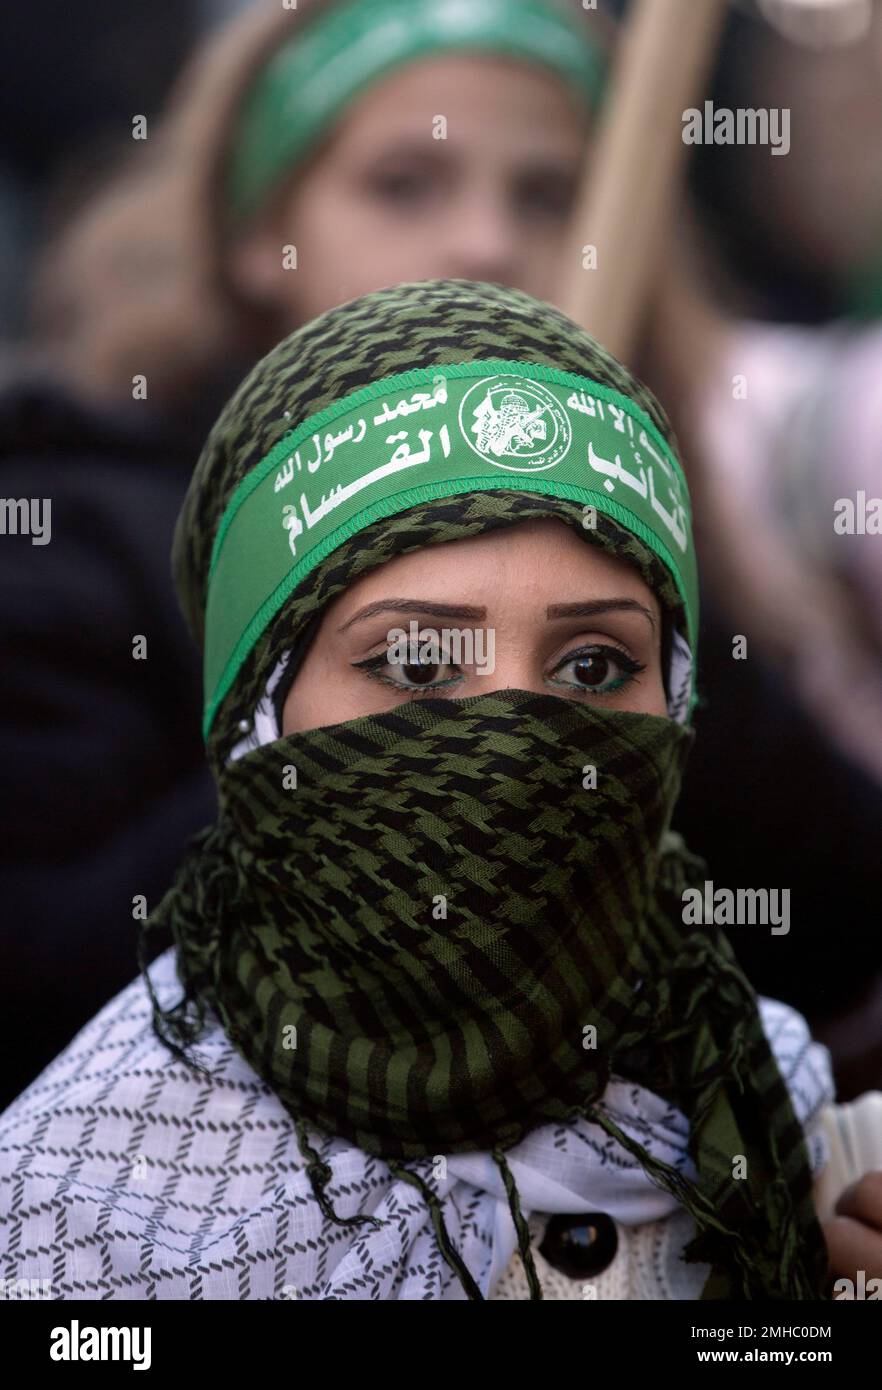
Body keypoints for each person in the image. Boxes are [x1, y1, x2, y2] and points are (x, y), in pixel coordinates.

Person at [1, 279, 880, 1300]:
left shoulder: (784, 1103)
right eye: (417, 665)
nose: (517, 749)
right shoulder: (82, 1218)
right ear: (257, 715)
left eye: (594, 667)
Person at [0, 0, 609, 1105]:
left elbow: (835, 908)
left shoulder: (645, 533)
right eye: (402, 185)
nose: (486, 244)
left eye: (548, 194)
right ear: (257, 233)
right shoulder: (77, 527)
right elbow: (41, 976)